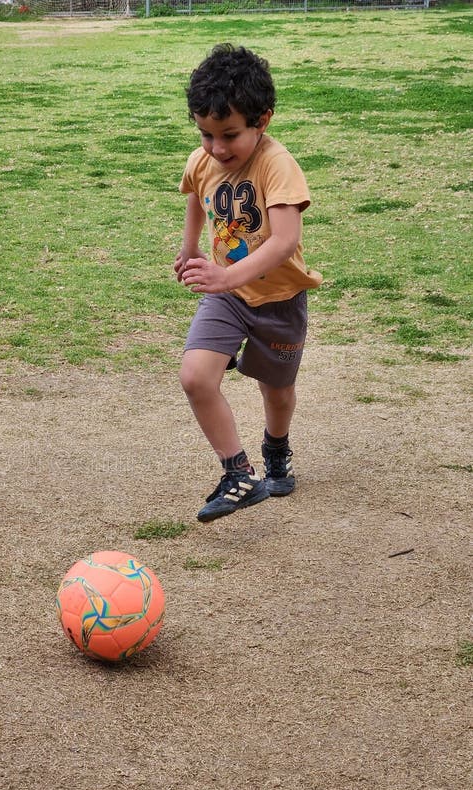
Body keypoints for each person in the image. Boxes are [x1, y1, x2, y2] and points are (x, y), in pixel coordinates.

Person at [174, 44, 322, 523]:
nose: (217, 148)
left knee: (275, 390)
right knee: (196, 376)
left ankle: (276, 446)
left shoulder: (276, 164)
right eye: (206, 134)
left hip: (279, 299)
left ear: (264, 121)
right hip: (229, 295)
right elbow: (197, 194)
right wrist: (190, 247)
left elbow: (283, 242)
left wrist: (223, 273)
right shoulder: (205, 159)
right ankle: (238, 472)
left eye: (230, 135)